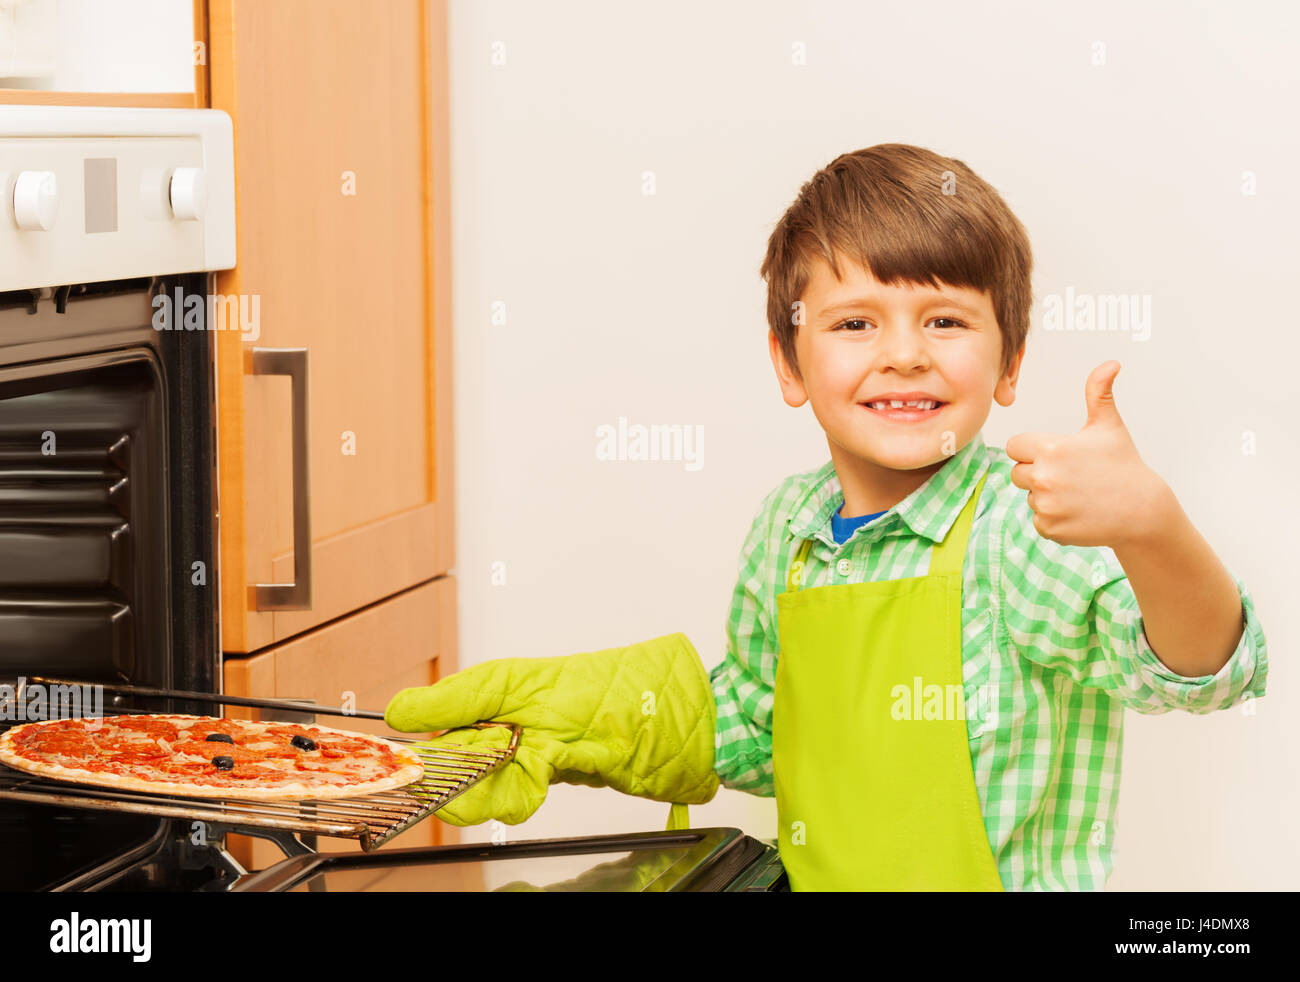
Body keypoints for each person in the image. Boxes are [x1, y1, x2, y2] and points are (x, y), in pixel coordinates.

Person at [385, 144, 1268, 891]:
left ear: (1010, 362)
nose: (905, 355)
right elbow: (770, 728)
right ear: (790, 362)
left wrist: (1152, 527)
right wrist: (606, 722)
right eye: (854, 322)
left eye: (947, 319)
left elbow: (1200, 672)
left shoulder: (1019, 527)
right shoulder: (790, 526)